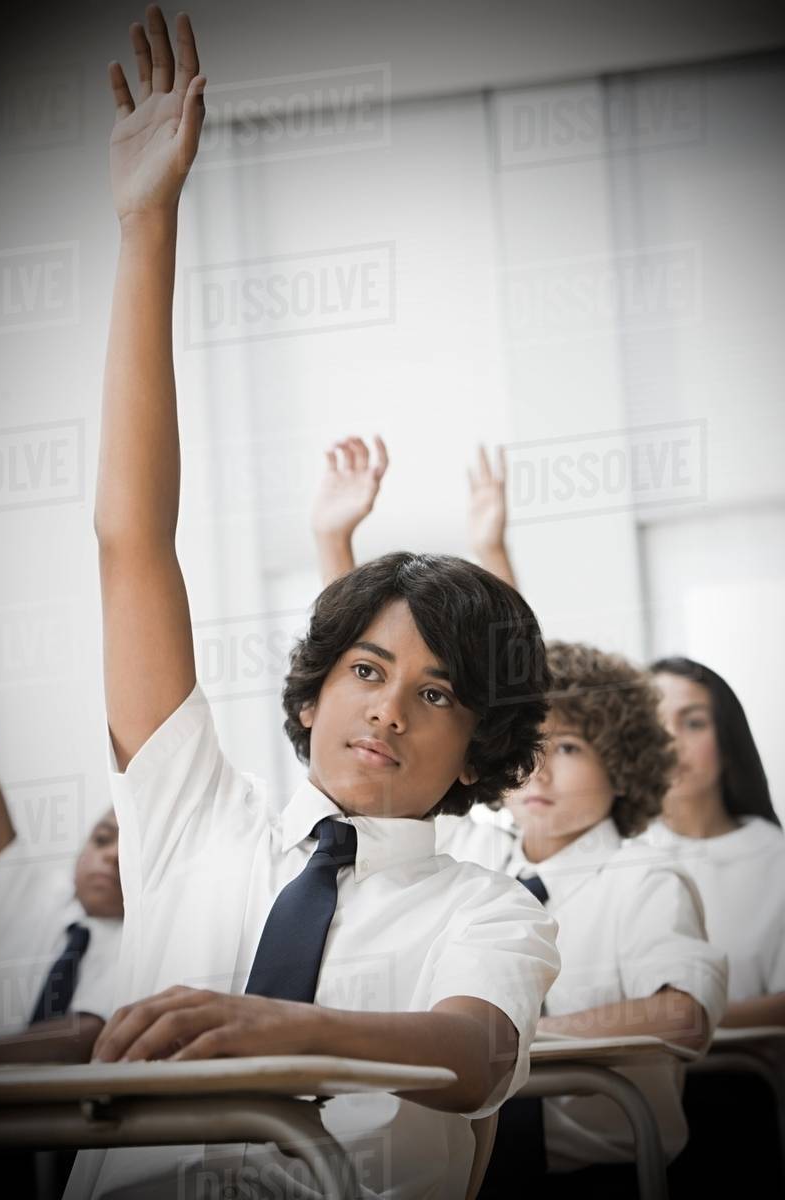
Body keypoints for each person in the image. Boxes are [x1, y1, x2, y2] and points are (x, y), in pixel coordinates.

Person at [66, 9, 561, 1199]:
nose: (386, 712)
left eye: (434, 692)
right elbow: (132, 541)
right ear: (318, 686)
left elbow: (470, 1050)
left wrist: (278, 1030)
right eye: (367, 671)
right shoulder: (193, 820)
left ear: (479, 740)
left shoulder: (486, 905)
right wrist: (147, 222)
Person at [312, 441, 729, 1193]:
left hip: (603, 1175)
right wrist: (335, 544)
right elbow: (440, 684)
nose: (537, 768)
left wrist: (518, 1038)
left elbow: (682, 1018)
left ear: (623, 762)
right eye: (528, 750)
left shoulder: (644, 878)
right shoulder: (479, 860)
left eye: (567, 748)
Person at [647, 657, 785, 1197]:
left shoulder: (773, 856)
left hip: (738, 1090)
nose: (672, 741)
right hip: (624, 1094)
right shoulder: (618, 856)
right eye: (657, 723)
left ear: (726, 737)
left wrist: (680, 1019)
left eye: (693, 722)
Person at [0, 723, 123, 1064]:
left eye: (132, 851)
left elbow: (82, 1038)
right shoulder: (27, 894)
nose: (112, 855)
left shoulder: (145, 940)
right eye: (102, 839)